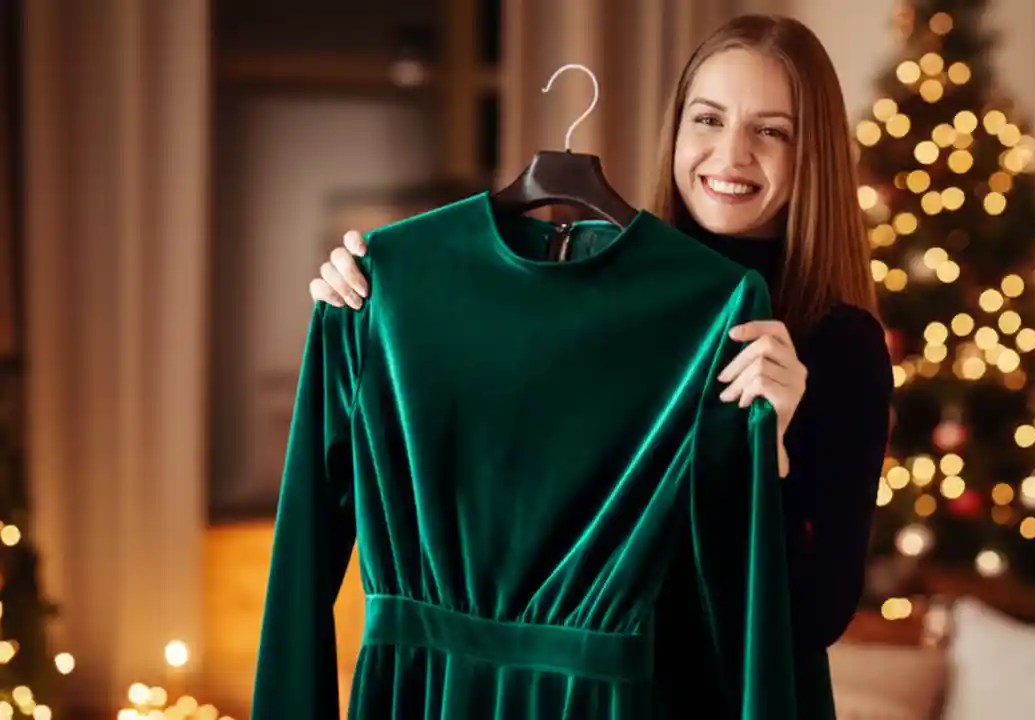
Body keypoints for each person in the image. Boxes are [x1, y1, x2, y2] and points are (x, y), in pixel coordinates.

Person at [310, 9, 890, 702]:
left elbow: (816, 618)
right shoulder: (583, 293)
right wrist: (371, 300)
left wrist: (773, 452)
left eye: (770, 131)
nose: (732, 155)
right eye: (708, 119)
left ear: (812, 153)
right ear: (675, 130)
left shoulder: (841, 345)